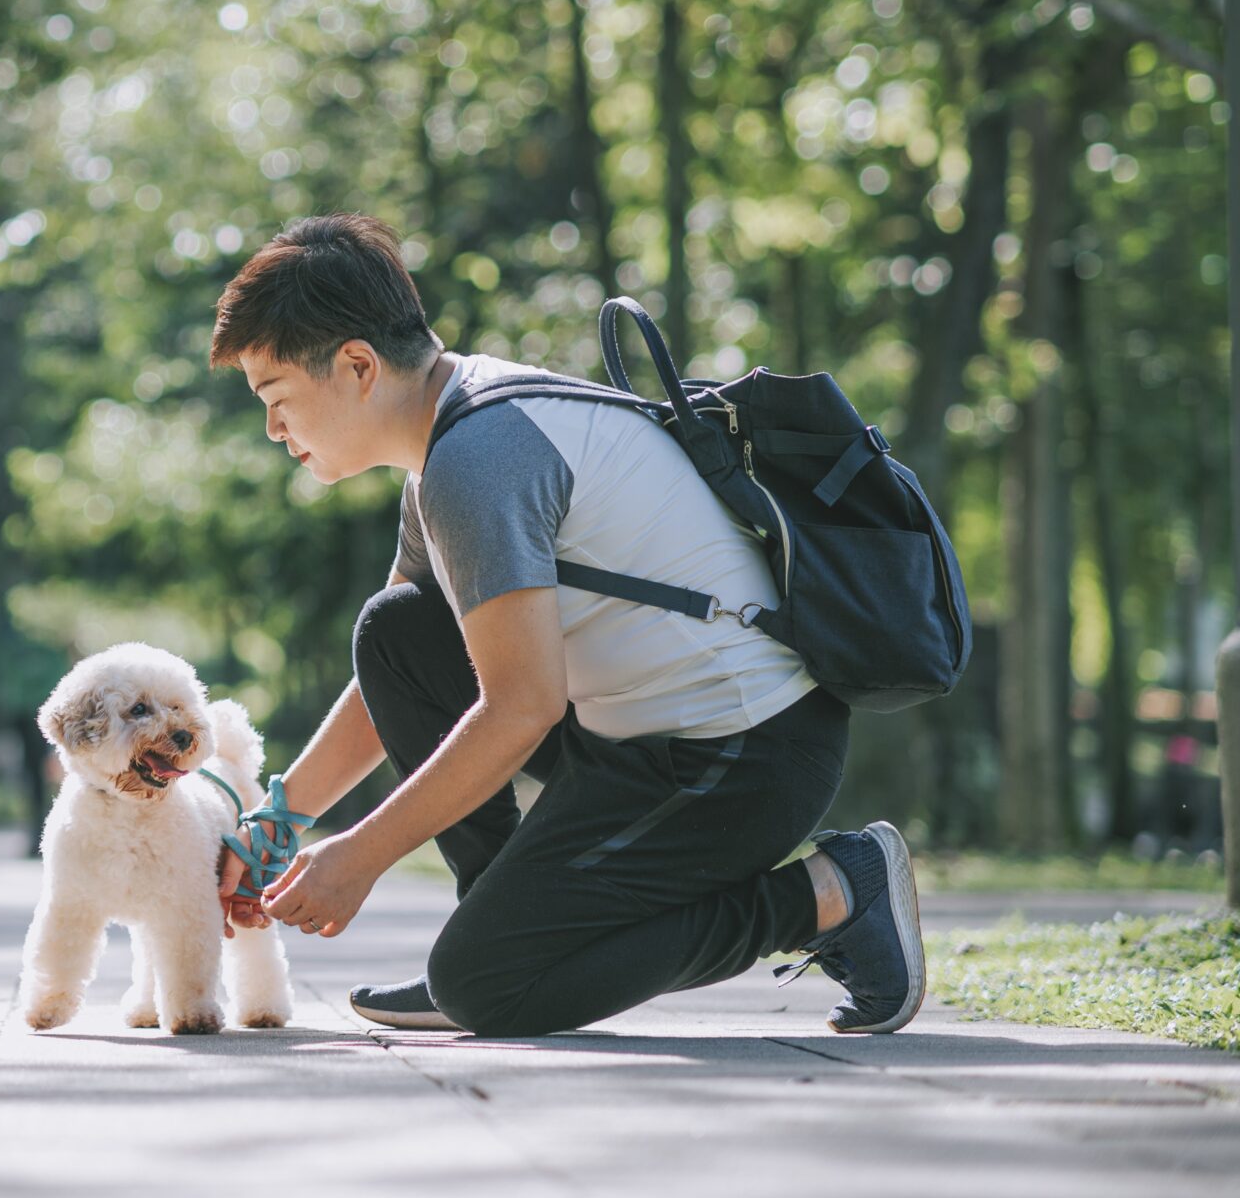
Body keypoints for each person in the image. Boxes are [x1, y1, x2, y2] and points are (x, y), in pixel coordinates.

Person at [206, 213, 923, 1037]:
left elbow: (522, 706)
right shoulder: (450, 440)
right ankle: (501, 923)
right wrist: (279, 817)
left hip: (744, 757)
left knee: (489, 987)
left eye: (276, 398)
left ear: (358, 366)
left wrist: (360, 856)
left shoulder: (479, 459)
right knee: (397, 631)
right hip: (641, 741)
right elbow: (394, 678)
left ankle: (832, 890)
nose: (273, 429)